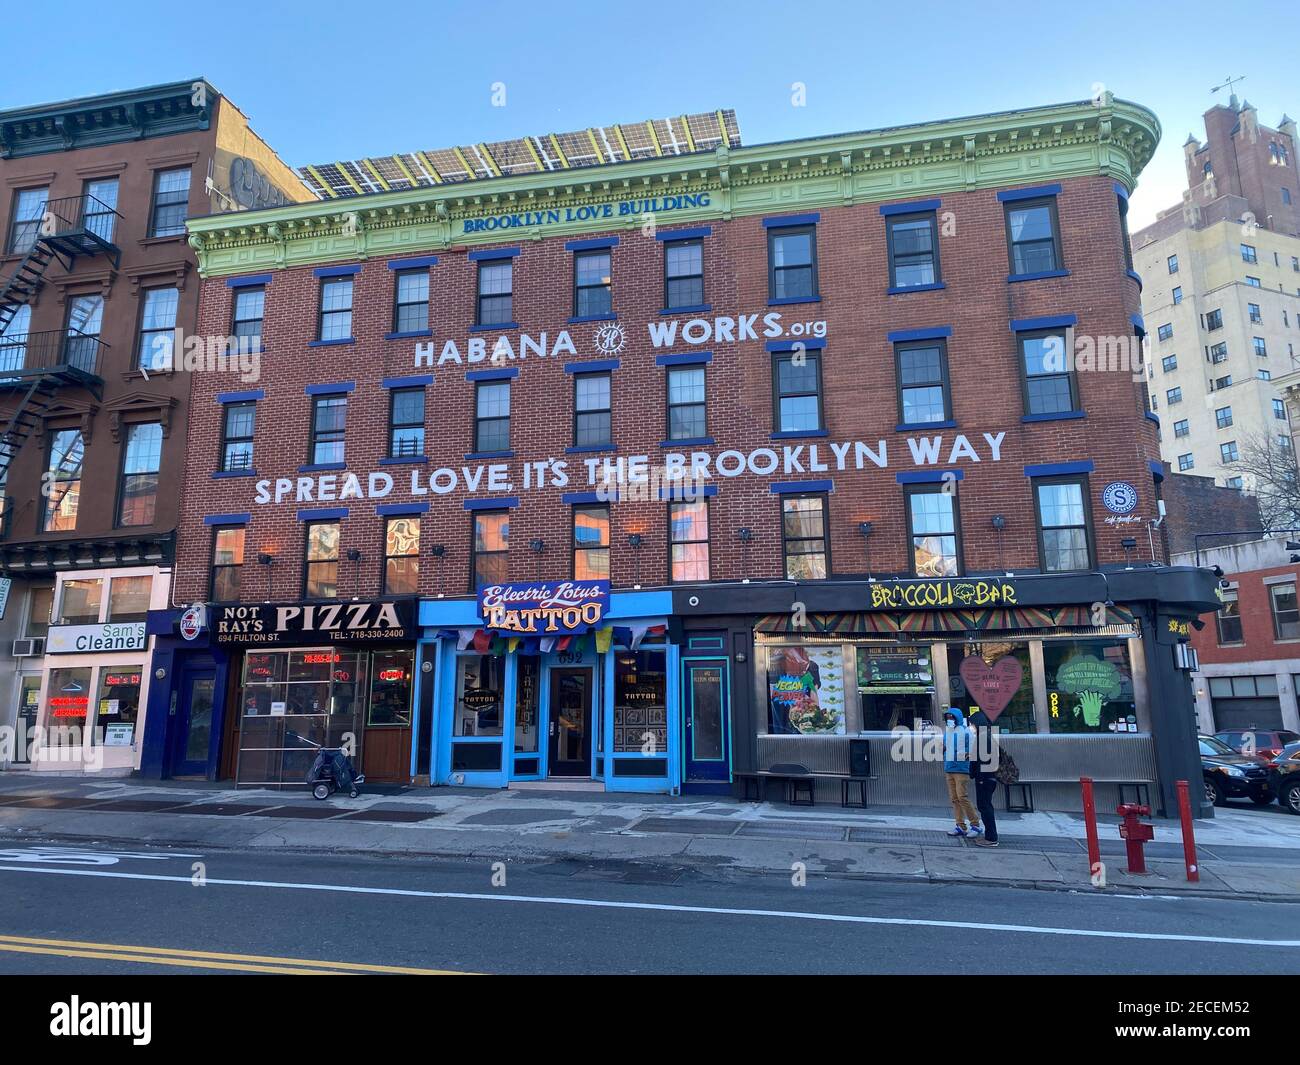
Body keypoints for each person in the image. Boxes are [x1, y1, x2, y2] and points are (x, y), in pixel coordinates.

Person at [941, 707, 982, 838]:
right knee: (954, 799)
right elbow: (946, 747)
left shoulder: (966, 732)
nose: (949, 719)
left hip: (961, 769)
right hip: (949, 768)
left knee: (962, 797)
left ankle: (975, 825)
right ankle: (960, 825)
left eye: (952, 717)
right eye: (947, 717)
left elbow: (971, 750)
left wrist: (961, 755)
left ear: (957, 718)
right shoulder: (947, 731)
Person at [968, 708, 1000, 847]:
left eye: (972, 724)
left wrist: (980, 778)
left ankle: (991, 838)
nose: (971, 727)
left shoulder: (983, 739)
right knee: (985, 806)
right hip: (986, 778)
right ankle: (990, 836)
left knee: (985, 807)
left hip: (984, 779)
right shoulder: (985, 737)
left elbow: (984, 761)